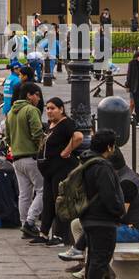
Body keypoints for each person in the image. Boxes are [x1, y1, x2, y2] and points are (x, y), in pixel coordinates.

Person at [78, 130, 126, 279]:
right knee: (100, 257)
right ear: (109, 147)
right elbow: (109, 195)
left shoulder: (87, 162)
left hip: (89, 216)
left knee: (93, 256)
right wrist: (118, 211)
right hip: (102, 219)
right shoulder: (103, 167)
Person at [35, 98, 82, 246]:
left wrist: (66, 151)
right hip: (49, 171)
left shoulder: (66, 123)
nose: (49, 111)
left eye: (53, 108)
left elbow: (78, 136)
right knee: (47, 200)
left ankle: (60, 236)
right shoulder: (51, 124)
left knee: (59, 200)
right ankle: (43, 233)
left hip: (61, 169)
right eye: (47, 108)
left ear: (61, 109)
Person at [5, 82, 45, 239]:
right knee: (42, 190)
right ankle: (30, 221)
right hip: (31, 156)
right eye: (37, 95)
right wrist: (41, 146)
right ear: (29, 95)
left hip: (16, 157)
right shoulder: (31, 110)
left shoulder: (11, 113)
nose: (39, 98)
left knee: (24, 194)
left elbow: (8, 137)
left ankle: (24, 224)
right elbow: (37, 133)